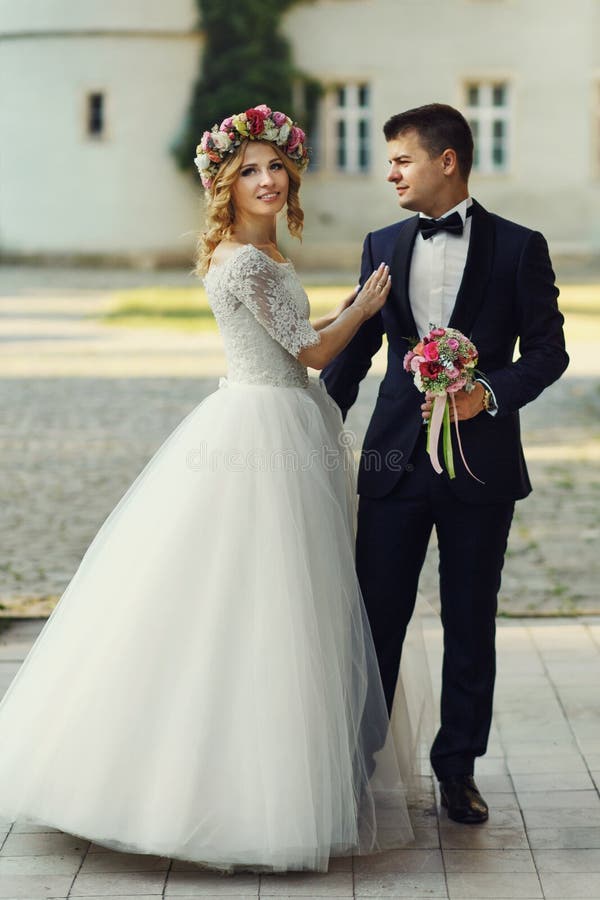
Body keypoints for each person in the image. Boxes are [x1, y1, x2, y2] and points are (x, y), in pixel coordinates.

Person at [0, 105, 418, 874]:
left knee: (291, 605)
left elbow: (295, 341)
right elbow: (317, 352)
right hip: (260, 433)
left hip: (285, 420)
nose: (267, 179)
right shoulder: (245, 260)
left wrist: (340, 311)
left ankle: (280, 772)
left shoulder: (260, 255)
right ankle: (225, 793)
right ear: (224, 185)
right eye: (250, 169)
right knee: (258, 603)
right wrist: (364, 307)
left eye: (276, 166)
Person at [322, 103, 569, 825]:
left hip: (482, 468)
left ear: (448, 162)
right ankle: (354, 764)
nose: (390, 172)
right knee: (375, 621)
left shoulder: (521, 247)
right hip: (394, 462)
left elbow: (549, 353)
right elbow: (358, 348)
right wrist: (313, 419)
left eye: (401, 159)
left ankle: (457, 770)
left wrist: (486, 394)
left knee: (471, 621)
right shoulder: (382, 243)